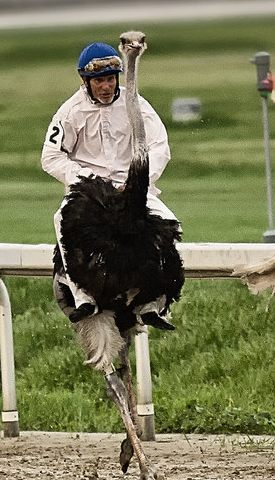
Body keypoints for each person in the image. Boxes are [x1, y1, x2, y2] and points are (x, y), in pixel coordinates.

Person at [40, 41, 177, 330]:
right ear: (85, 81)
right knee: (61, 218)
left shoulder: (137, 104)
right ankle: (82, 296)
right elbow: (51, 157)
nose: (106, 86)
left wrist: (138, 181)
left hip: (133, 188)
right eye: (99, 81)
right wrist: (89, 183)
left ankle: (154, 303)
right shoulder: (69, 112)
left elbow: (160, 147)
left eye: (111, 79)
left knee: (169, 223)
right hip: (89, 195)